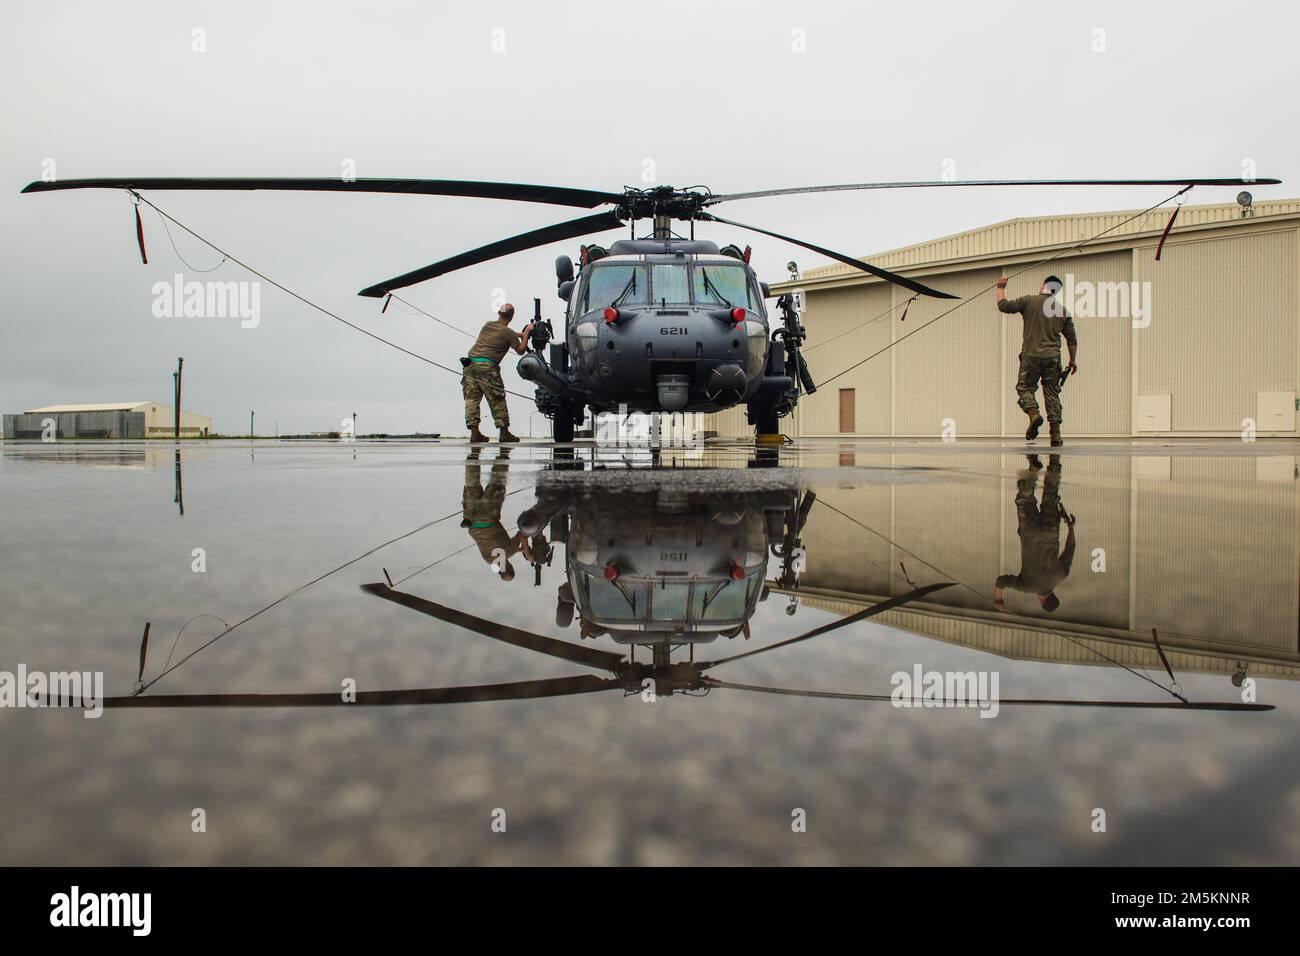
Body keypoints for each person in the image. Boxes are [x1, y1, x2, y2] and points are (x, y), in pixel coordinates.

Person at [996, 274, 1078, 447]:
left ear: (1043, 286)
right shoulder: (1063, 310)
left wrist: (1001, 288)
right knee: (1052, 394)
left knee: (1024, 388)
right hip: (1053, 358)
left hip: (1030, 356)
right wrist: (1073, 361)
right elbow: (1072, 339)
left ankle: (1034, 415)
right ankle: (1055, 435)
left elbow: (1004, 306)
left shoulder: (1029, 300)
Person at [995, 455, 1076, 613]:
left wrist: (1071, 528)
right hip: (1029, 532)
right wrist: (999, 599)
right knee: (1024, 500)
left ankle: (1055, 455)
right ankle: (1033, 470)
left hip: (1051, 530)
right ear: (1042, 601)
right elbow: (1001, 582)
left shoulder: (1061, 576)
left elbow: (1070, 547)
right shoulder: (1027, 586)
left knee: (1051, 492)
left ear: (1054, 595)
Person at [463, 303, 533, 444]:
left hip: (470, 364)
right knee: (497, 399)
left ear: (499, 313)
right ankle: (504, 433)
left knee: (472, 400)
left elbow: (505, 332)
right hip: (487, 367)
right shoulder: (508, 333)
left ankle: (475, 433)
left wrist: (520, 334)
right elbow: (520, 350)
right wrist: (526, 334)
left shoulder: (488, 325)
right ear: (511, 316)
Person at [461, 446, 532, 580]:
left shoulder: (509, 552)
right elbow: (498, 550)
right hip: (470, 520)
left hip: (488, 518)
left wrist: (527, 552)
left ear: (511, 567)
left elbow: (522, 535)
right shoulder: (489, 560)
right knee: (471, 486)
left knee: (497, 485)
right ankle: (474, 453)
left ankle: (503, 454)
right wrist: (518, 550)